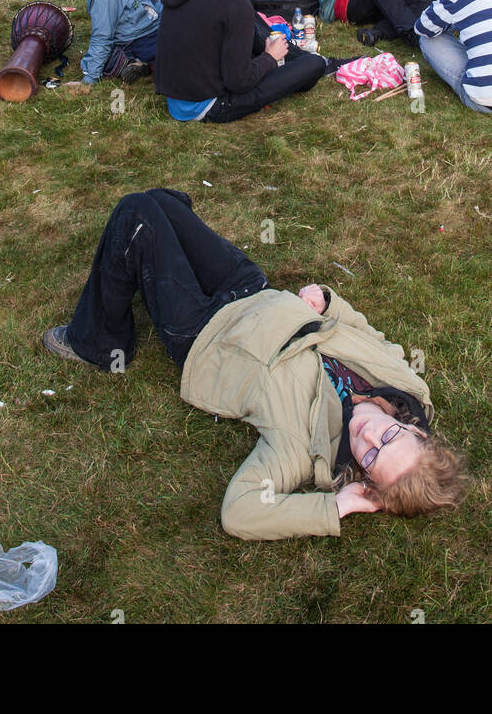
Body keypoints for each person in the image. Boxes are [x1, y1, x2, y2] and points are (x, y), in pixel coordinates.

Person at [42, 186, 467, 537]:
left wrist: (332, 507)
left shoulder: (303, 450)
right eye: (390, 437)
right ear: (412, 427)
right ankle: (160, 245)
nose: (369, 435)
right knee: (164, 202)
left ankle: (96, 343)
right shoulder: (409, 390)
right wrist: (330, 304)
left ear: (368, 482)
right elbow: (370, 336)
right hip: (252, 291)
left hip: (206, 333)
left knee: (138, 215)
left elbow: (240, 511)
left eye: (372, 458)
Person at [153, 0, 327, 123]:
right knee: (313, 64)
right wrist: (270, 57)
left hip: (175, 96)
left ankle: (290, 57)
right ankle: (308, 61)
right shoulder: (234, 2)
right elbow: (239, 81)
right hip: (208, 104)